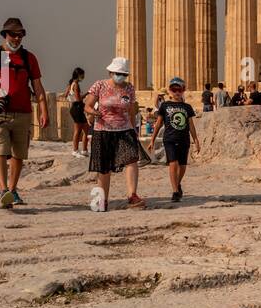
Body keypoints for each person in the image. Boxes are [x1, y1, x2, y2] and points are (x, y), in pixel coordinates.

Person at [0, 18, 49, 209]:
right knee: (0, 150)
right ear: (5, 35)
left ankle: (13, 189)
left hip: (23, 112)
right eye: (13, 35)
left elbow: (38, 86)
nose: (16, 38)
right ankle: (3, 190)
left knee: (19, 154)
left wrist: (43, 110)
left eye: (20, 35)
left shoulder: (29, 58)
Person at [84, 57, 145, 210]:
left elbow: (131, 110)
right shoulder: (99, 85)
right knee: (104, 167)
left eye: (124, 74)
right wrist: (94, 112)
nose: (121, 76)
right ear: (110, 72)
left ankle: (132, 196)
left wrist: (134, 129)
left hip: (125, 130)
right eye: (118, 73)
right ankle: (102, 200)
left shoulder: (129, 88)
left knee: (131, 160)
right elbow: (88, 106)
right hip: (103, 130)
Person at [148, 77, 199, 201]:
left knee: (182, 166)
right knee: (173, 163)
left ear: (183, 91)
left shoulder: (187, 107)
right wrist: (152, 140)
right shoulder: (165, 105)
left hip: (184, 139)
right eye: (174, 90)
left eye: (179, 90)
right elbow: (159, 123)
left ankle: (177, 183)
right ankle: (175, 191)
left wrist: (196, 140)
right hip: (169, 139)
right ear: (170, 91)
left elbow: (191, 125)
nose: (177, 92)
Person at [66, 67, 89, 157]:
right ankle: (75, 150)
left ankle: (84, 150)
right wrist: (87, 93)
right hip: (77, 108)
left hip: (75, 108)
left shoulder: (70, 84)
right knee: (78, 130)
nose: (83, 76)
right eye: (82, 75)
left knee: (86, 129)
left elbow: (66, 95)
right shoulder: (75, 84)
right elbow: (78, 98)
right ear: (78, 75)